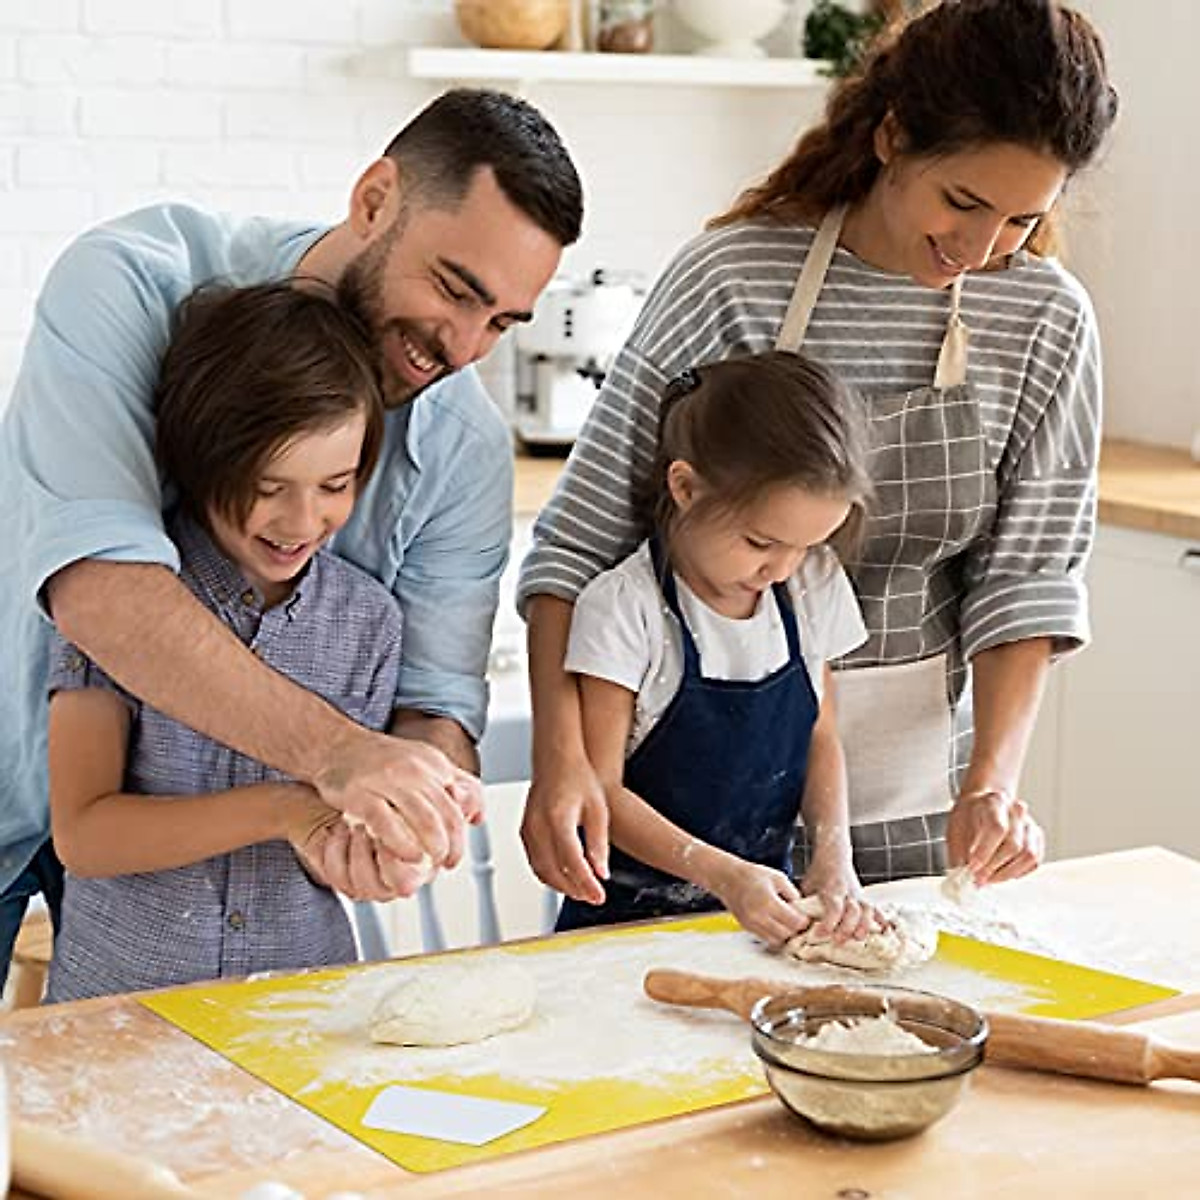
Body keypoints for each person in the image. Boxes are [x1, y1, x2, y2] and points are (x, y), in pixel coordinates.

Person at [517, 0, 1119, 909]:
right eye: (962, 202)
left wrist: (991, 786)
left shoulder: (1045, 318)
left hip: (926, 807)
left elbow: (1026, 579)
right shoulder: (733, 278)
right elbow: (579, 544)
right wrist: (562, 761)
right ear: (892, 135)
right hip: (694, 820)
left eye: (1020, 222)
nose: (978, 248)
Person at [0, 87, 583, 988]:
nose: (467, 347)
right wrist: (337, 758)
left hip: (215, 898)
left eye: (502, 322)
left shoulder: (462, 445)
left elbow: (431, 711)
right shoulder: (129, 283)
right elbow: (103, 591)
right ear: (375, 200)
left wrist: (397, 824)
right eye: (454, 290)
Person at [46, 283, 422, 1001]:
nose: (301, 521)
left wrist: (367, 853)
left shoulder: (369, 621)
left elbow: (333, 835)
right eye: (268, 486)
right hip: (125, 1007)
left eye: (335, 485)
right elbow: (84, 836)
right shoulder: (124, 604)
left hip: (299, 1001)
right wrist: (284, 810)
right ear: (202, 460)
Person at [556, 351, 883, 947]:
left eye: (807, 546)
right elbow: (601, 792)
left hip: (763, 922)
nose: (783, 569)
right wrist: (724, 876)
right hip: (623, 928)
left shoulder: (812, 586)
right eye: (761, 542)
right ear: (685, 487)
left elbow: (820, 736)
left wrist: (834, 857)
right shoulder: (624, 609)